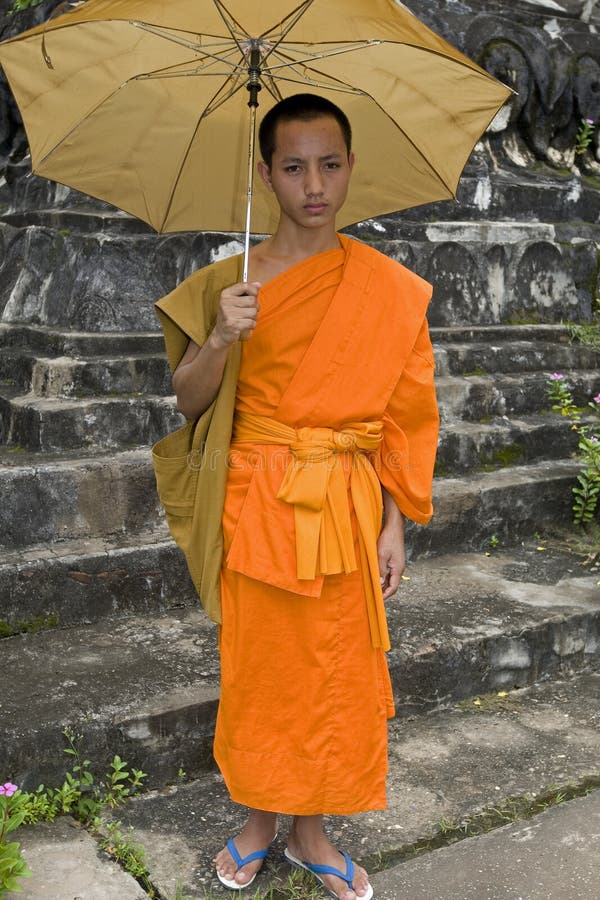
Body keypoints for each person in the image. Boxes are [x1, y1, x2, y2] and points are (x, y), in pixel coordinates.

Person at [165, 94, 439, 900]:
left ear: (351, 167)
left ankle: (312, 830)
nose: (313, 185)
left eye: (328, 164)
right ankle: (256, 822)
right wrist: (221, 336)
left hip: (351, 506)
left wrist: (397, 522)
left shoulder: (390, 289)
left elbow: (405, 415)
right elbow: (186, 400)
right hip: (259, 503)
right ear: (266, 174)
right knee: (262, 672)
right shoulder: (228, 284)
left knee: (335, 673)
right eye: (293, 167)